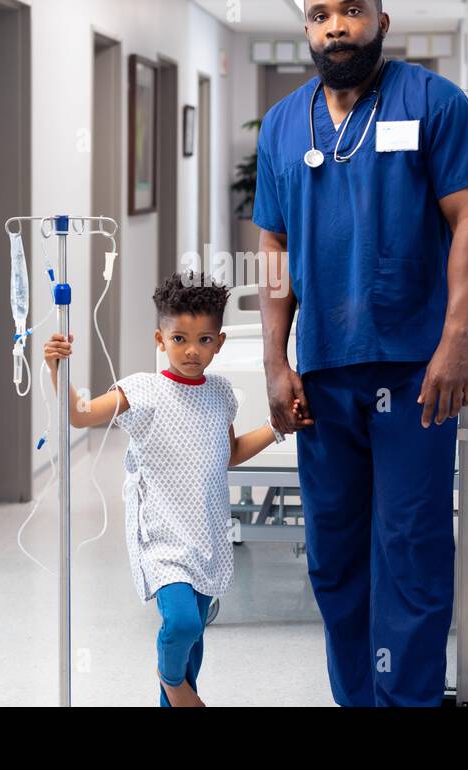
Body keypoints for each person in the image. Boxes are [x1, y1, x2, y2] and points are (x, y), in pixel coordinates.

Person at [252, 0, 468, 706]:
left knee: (411, 549)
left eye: (353, 10)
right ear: (306, 28)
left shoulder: (435, 103)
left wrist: (456, 336)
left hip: (416, 371)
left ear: (381, 21)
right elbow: (273, 247)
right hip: (326, 375)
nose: (338, 25)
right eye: (322, 14)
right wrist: (274, 357)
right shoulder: (283, 124)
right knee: (333, 554)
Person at [43, 271, 292, 706]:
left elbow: (229, 452)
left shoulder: (220, 394)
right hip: (162, 539)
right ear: (161, 340)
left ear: (220, 341)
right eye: (179, 339)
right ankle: (170, 681)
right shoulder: (143, 390)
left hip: (207, 538)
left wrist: (277, 427)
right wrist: (56, 368)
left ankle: (177, 688)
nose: (191, 350)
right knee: (181, 626)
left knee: (194, 646)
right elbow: (81, 414)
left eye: (204, 340)